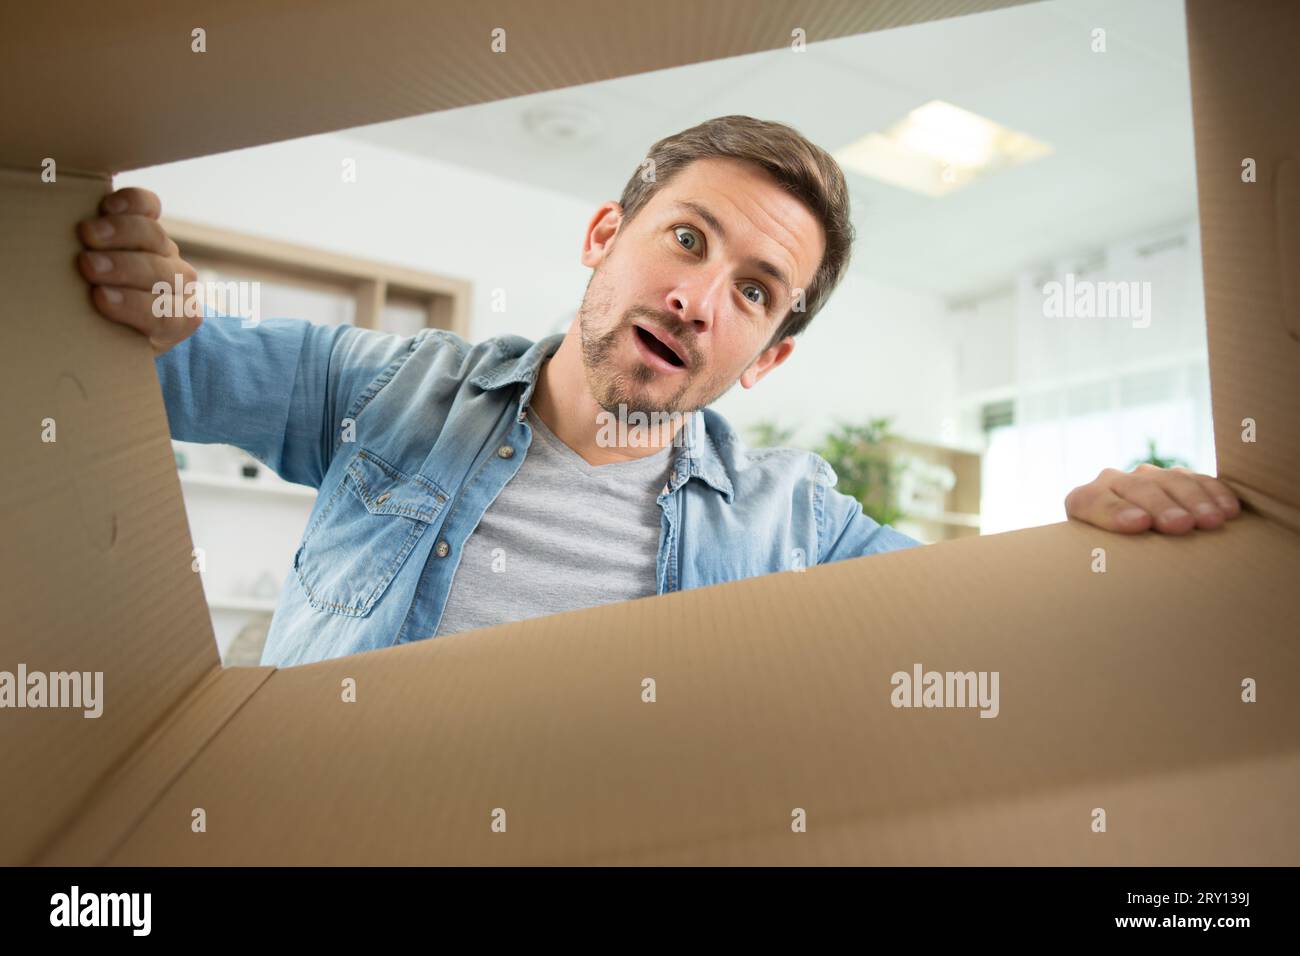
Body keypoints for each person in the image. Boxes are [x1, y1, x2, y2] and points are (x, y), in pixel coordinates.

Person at [74, 116, 1241, 667]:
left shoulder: (803, 524)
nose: (697, 297)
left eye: (753, 291)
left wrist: (1105, 538)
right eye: (683, 238)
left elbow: (1000, 615)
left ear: (769, 356)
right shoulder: (385, 387)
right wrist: (146, 303)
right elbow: (145, 376)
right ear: (603, 234)